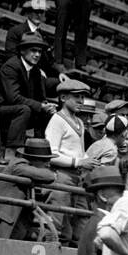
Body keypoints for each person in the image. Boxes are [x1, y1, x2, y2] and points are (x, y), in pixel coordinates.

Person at [43, 77, 95, 242]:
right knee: (57, 224)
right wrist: (78, 162)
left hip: (78, 178)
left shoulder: (79, 121)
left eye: (82, 97)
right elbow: (51, 154)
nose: (81, 100)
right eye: (76, 96)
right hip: (62, 177)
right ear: (63, 98)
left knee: (81, 225)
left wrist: (89, 160)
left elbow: (78, 151)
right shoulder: (57, 120)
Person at [0, 33, 55, 162]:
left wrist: (47, 106)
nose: (37, 55)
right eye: (33, 50)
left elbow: (41, 97)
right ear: (22, 51)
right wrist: (39, 105)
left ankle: (39, 151)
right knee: (24, 109)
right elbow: (13, 98)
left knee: (46, 113)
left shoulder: (36, 70)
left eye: (39, 51)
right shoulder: (11, 66)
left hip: (21, 109)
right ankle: (11, 152)